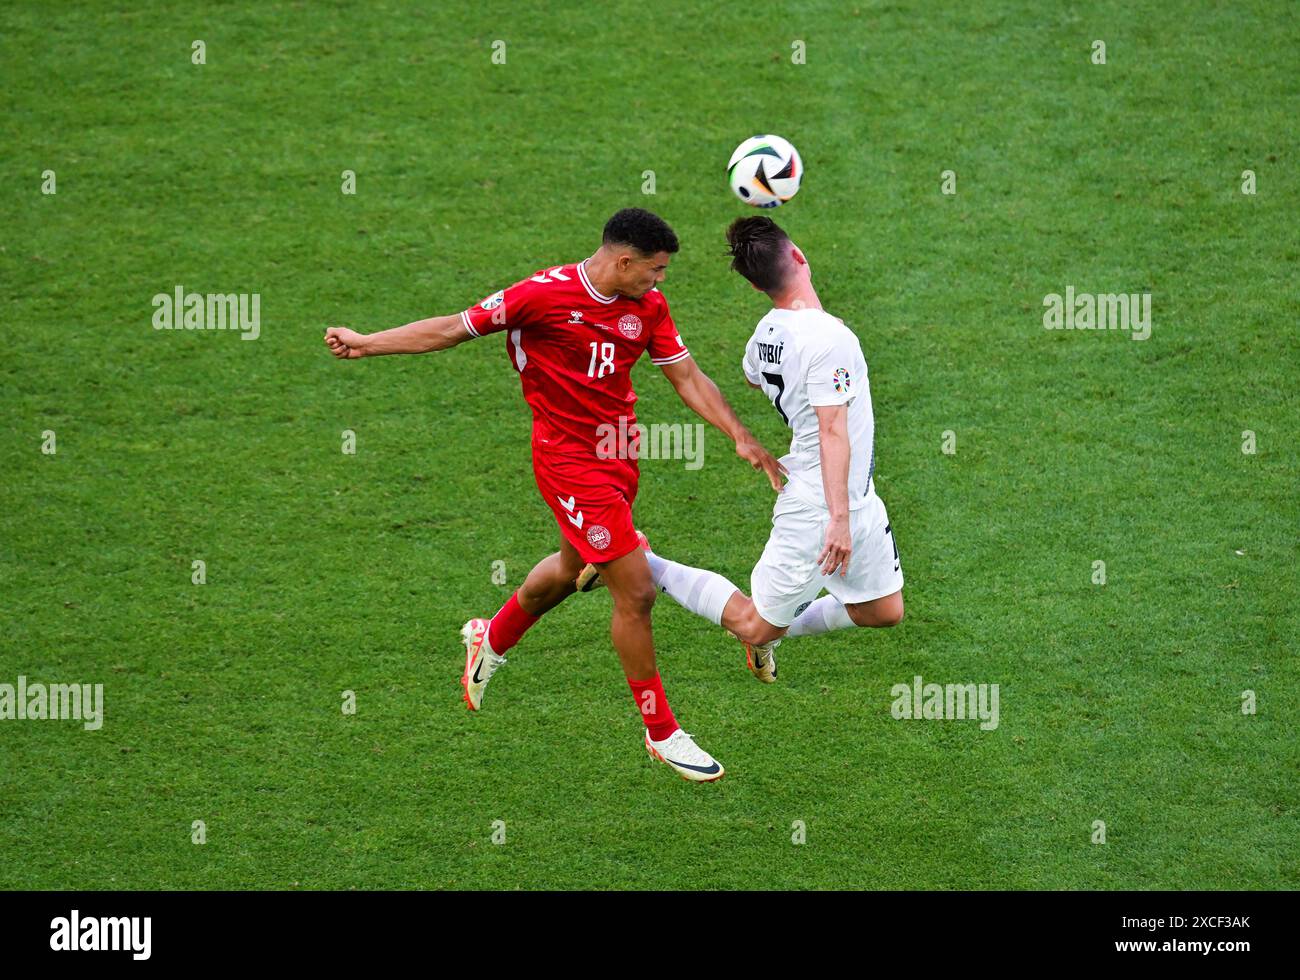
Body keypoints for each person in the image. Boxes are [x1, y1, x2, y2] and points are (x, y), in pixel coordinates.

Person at [323, 208, 784, 781]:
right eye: (656, 269)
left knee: (570, 570)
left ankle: (490, 636)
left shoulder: (648, 307)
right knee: (636, 591)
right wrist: (367, 344)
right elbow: (451, 328)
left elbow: (686, 375)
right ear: (624, 261)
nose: (661, 280)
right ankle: (662, 731)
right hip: (568, 464)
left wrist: (740, 435)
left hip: (620, 457)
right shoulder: (540, 297)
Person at [601, 215, 904, 682]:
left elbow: (752, 375)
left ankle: (772, 627)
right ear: (799, 255)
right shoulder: (830, 340)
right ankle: (641, 559)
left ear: (755, 284)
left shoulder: (769, 333)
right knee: (753, 623)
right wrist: (839, 520)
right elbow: (831, 431)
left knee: (883, 609)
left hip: (858, 497)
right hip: (821, 506)